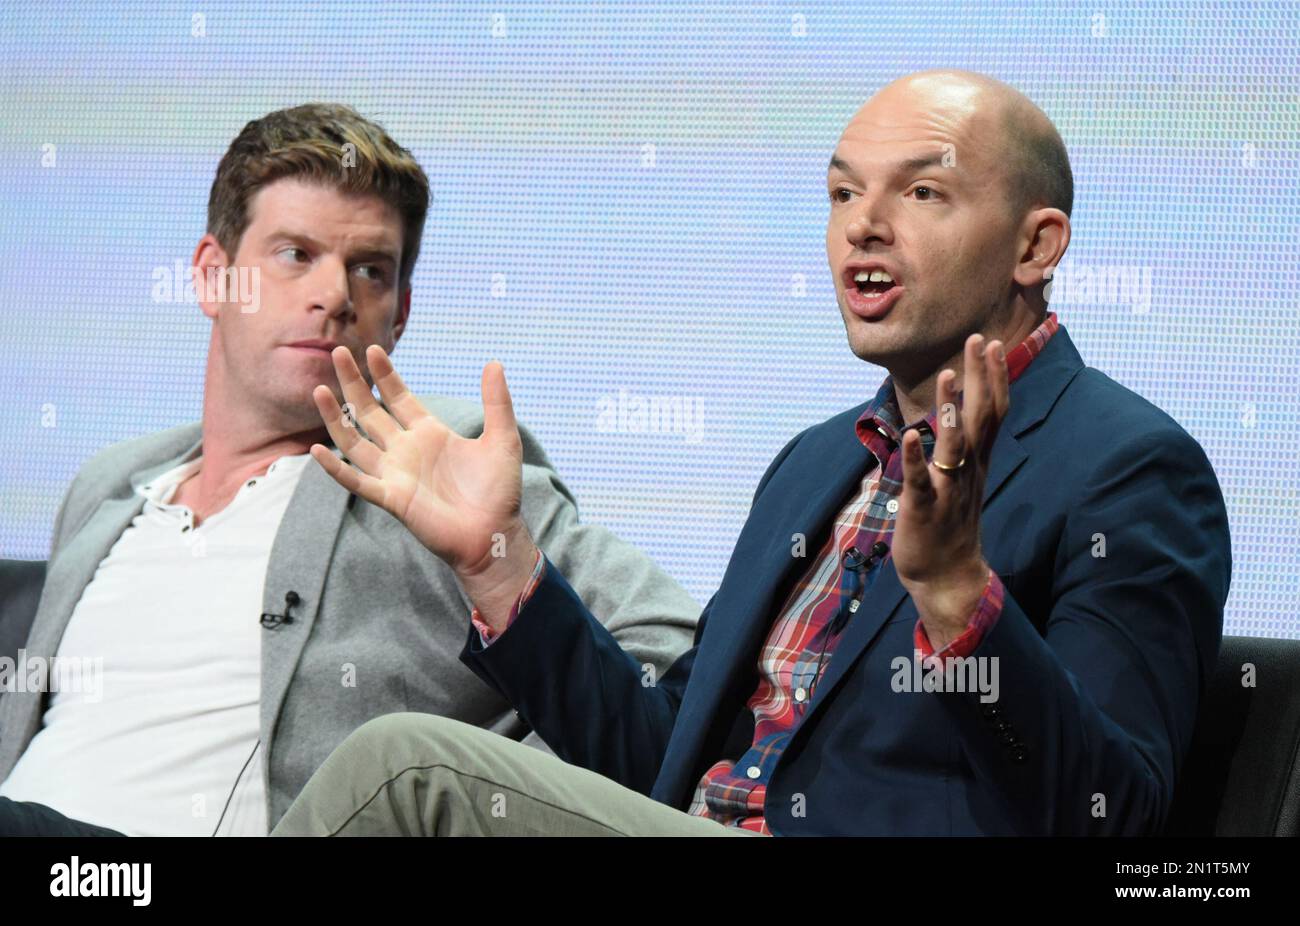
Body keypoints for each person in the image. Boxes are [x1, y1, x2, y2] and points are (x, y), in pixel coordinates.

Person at [269, 71, 1231, 837]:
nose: (862, 222)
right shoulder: (817, 465)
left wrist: (956, 598)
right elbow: (657, 764)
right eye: (843, 191)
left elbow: (1116, 813)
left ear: (1037, 245)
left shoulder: (1131, 467)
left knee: (404, 768)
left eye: (923, 191)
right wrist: (497, 560)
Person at [0, 104, 699, 836]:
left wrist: (483, 780)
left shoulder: (446, 471)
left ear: (399, 314)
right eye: (296, 254)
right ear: (212, 277)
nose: (334, 295)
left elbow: (676, 666)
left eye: (370, 270)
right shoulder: (109, 486)